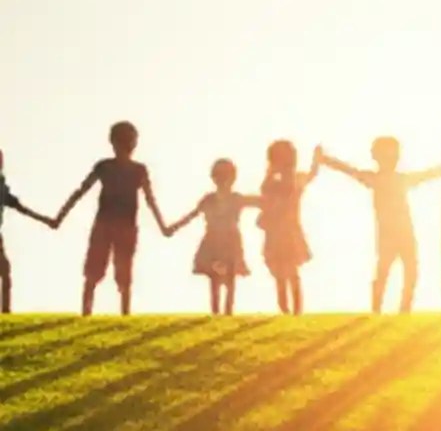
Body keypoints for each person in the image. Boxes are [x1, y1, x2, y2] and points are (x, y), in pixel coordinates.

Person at [55, 121, 167, 316]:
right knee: (114, 272)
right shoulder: (121, 168)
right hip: (114, 226)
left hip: (114, 226)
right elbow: (150, 200)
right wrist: (163, 226)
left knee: (103, 272)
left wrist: (60, 217)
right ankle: (118, 312)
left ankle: (92, 312)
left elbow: (80, 192)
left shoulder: (112, 168)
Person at [318, 138, 439, 315]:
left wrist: (327, 160)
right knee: (388, 271)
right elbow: (349, 170)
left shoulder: (393, 179)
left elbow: (427, 175)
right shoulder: (381, 179)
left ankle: (399, 308)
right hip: (392, 234)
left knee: (405, 270)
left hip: (401, 232)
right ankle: (381, 308)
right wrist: (327, 160)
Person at [163, 159, 261, 315]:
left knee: (228, 278)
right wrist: (174, 228)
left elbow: (259, 202)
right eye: (219, 176)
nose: (222, 181)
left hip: (229, 242)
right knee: (215, 279)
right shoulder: (211, 199)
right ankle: (217, 312)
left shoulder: (235, 198)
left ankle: (226, 311)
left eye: (225, 176)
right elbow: (192, 215)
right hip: (214, 242)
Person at [259, 141, 320, 315]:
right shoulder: (277, 180)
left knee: (288, 272)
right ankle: (288, 309)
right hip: (280, 231)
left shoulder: (291, 179)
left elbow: (311, 174)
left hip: (287, 231)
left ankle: (292, 309)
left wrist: (316, 159)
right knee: (283, 272)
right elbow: (312, 174)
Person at [0, 149, 57, 313]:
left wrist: (45, 220)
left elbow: (21, 208)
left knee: (5, 271)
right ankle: (5, 310)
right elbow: (21, 208)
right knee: (4, 271)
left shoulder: (2, 188)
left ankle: (5, 311)